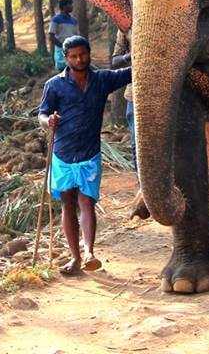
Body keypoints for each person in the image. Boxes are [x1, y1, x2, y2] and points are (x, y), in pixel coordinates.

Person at [38, 36, 132, 275]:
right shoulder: (54, 85)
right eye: (73, 56)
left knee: (86, 201)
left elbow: (131, 72)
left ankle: (89, 252)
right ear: (66, 58)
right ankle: (75, 258)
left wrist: (138, 54)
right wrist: (48, 121)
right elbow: (42, 113)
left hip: (90, 154)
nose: (79, 59)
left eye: (82, 54)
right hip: (63, 154)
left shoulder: (102, 80)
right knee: (68, 204)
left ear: (89, 54)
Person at [111, 29, 135, 171]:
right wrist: (130, 56)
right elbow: (115, 60)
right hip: (134, 93)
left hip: (164, 91)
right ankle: (143, 186)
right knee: (136, 145)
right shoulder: (126, 26)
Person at [48, 0, 79, 70]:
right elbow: (51, 36)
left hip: (73, 49)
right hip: (60, 50)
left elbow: (77, 35)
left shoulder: (74, 20)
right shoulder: (55, 19)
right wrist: (63, 46)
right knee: (63, 69)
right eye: (70, 4)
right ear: (64, 6)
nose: (72, 6)